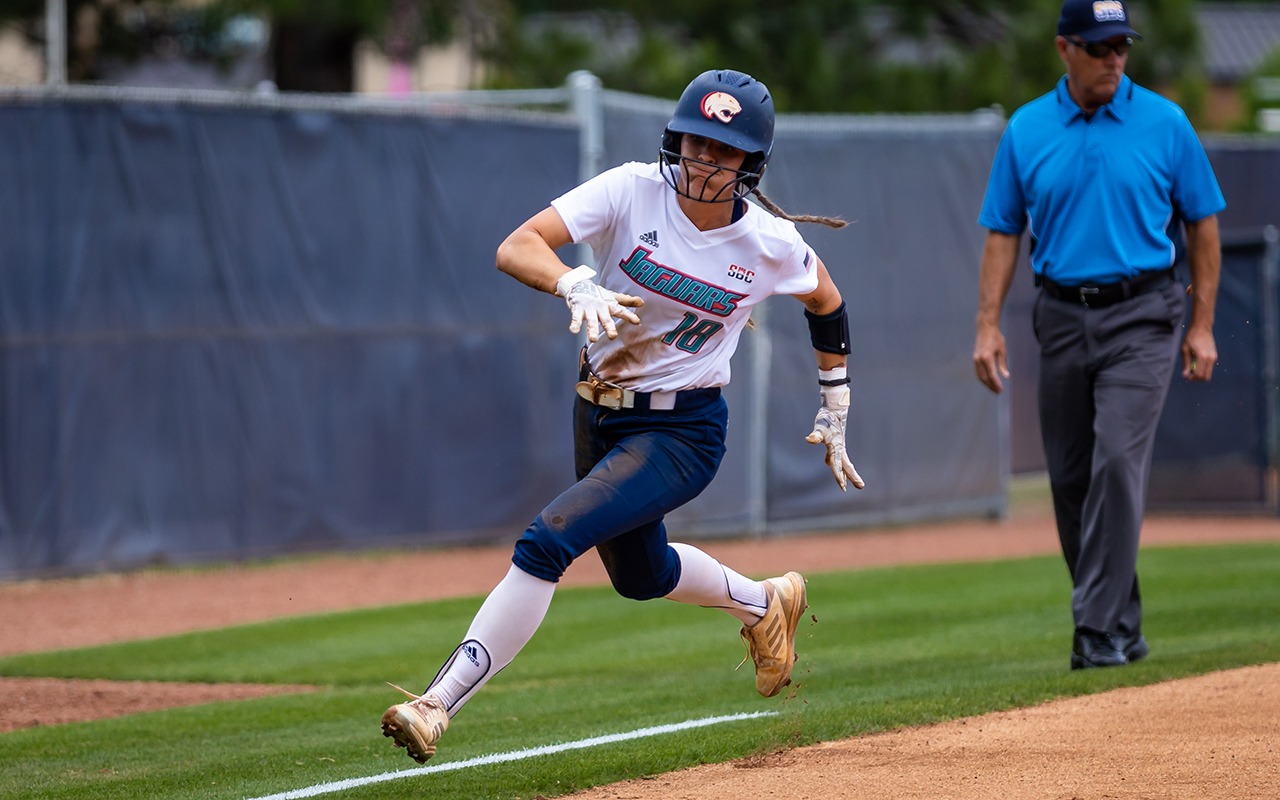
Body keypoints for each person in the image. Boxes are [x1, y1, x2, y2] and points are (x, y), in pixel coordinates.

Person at [380, 68, 865, 763]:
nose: (705, 162)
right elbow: (516, 245)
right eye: (696, 143)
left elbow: (828, 304)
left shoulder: (769, 243)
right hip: (600, 411)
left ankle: (435, 704)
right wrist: (570, 277)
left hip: (684, 430)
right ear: (676, 140)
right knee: (641, 576)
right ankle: (765, 604)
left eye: (724, 152)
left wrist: (836, 404)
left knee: (546, 542)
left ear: (751, 165)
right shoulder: (632, 189)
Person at [972, 0, 1225, 670]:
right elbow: (1003, 231)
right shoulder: (1027, 129)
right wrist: (987, 325)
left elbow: (1203, 223)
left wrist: (1201, 325)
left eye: (1122, 47)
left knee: (1117, 458)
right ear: (1066, 49)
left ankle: (1098, 630)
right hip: (1058, 316)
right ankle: (1125, 620)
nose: (1115, 58)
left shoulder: (1165, 123)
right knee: (1073, 480)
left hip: (1144, 313)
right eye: (1101, 46)